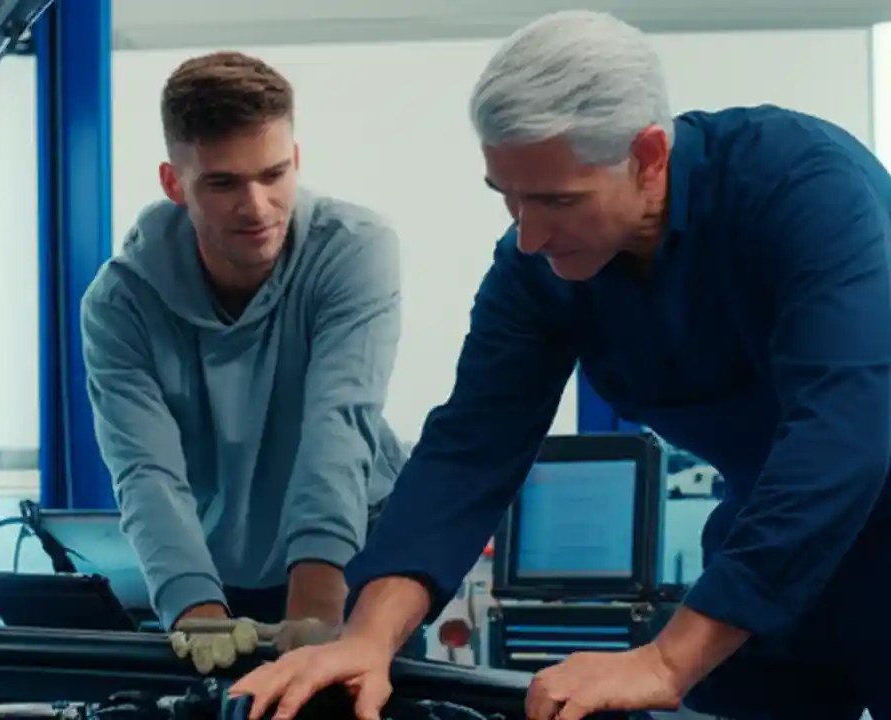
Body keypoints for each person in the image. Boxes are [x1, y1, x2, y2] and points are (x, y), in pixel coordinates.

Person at [229, 10, 891, 720]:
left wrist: (668, 659)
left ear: (650, 155)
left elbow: (843, 437)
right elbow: (469, 447)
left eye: (557, 200)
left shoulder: (806, 188)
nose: (529, 233)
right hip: (772, 544)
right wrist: (367, 636)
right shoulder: (534, 270)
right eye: (508, 196)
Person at [80, 51, 408, 667]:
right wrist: (192, 609)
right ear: (174, 183)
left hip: (353, 555)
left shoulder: (356, 252)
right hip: (213, 570)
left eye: (274, 174)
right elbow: (147, 473)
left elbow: (338, 425)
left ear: (297, 161)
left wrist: (315, 614)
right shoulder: (119, 303)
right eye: (224, 183)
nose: (257, 207)